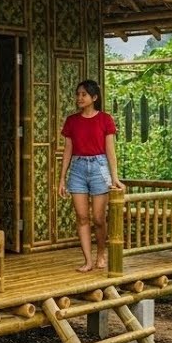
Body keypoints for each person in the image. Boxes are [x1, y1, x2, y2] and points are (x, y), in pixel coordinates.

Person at [58, 79, 124, 272]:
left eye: (84, 94)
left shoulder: (105, 119)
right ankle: (87, 260)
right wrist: (62, 179)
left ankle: (101, 253)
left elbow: (110, 150)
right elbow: (67, 150)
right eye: (78, 94)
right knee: (81, 217)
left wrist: (114, 177)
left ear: (94, 97)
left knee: (98, 218)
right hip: (77, 169)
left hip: (99, 167)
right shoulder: (72, 121)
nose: (79, 98)